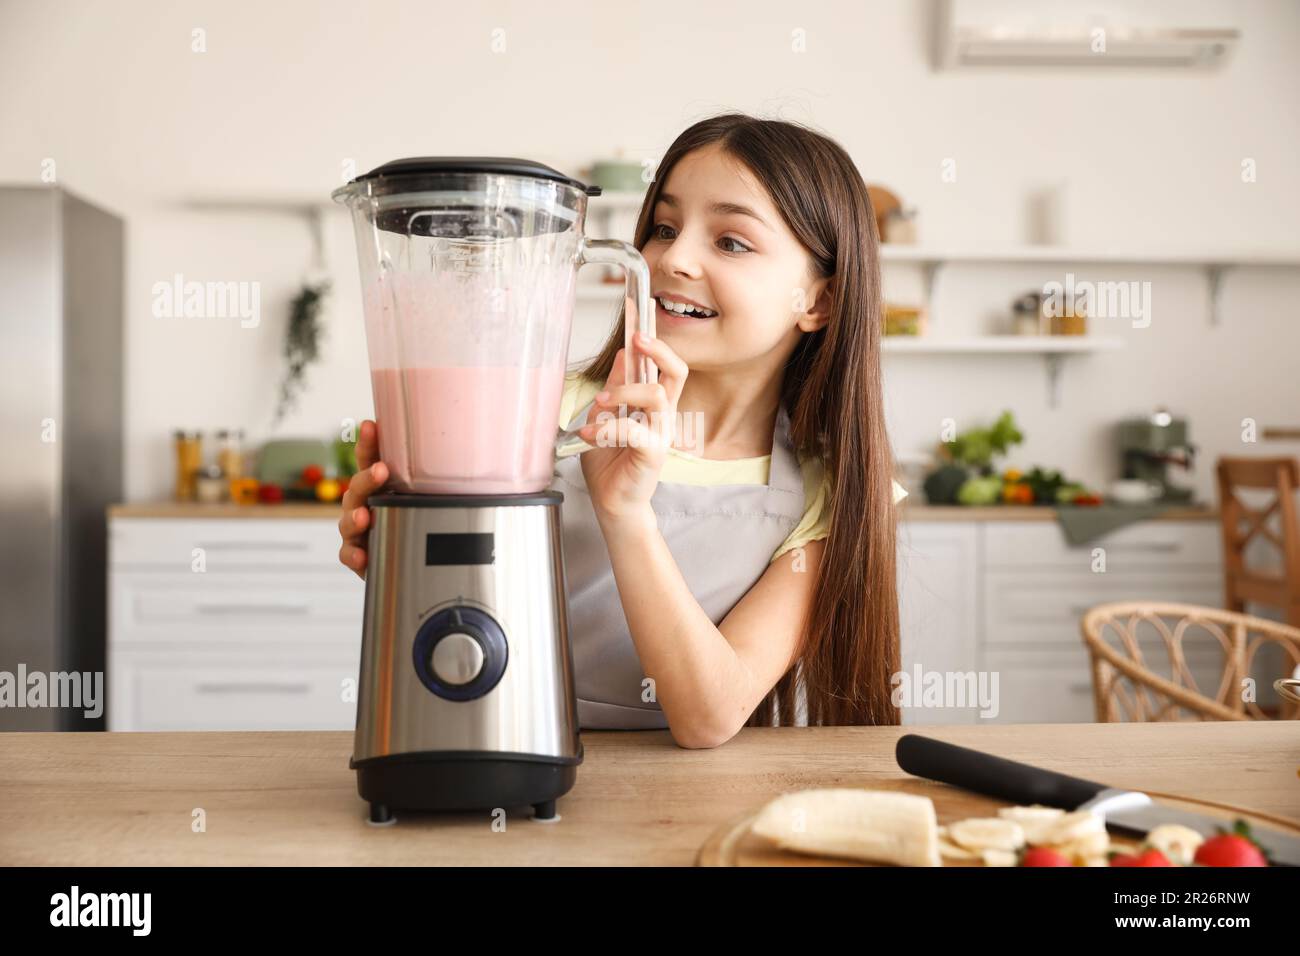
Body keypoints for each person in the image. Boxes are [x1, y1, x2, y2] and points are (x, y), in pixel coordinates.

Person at [338, 112, 908, 748]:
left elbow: (708, 715)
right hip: (493, 746)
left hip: (676, 799)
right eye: (664, 228)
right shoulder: (534, 408)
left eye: (731, 242)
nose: (671, 258)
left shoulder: (836, 489)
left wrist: (627, 514)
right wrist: (409, 561)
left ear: (819, 302)